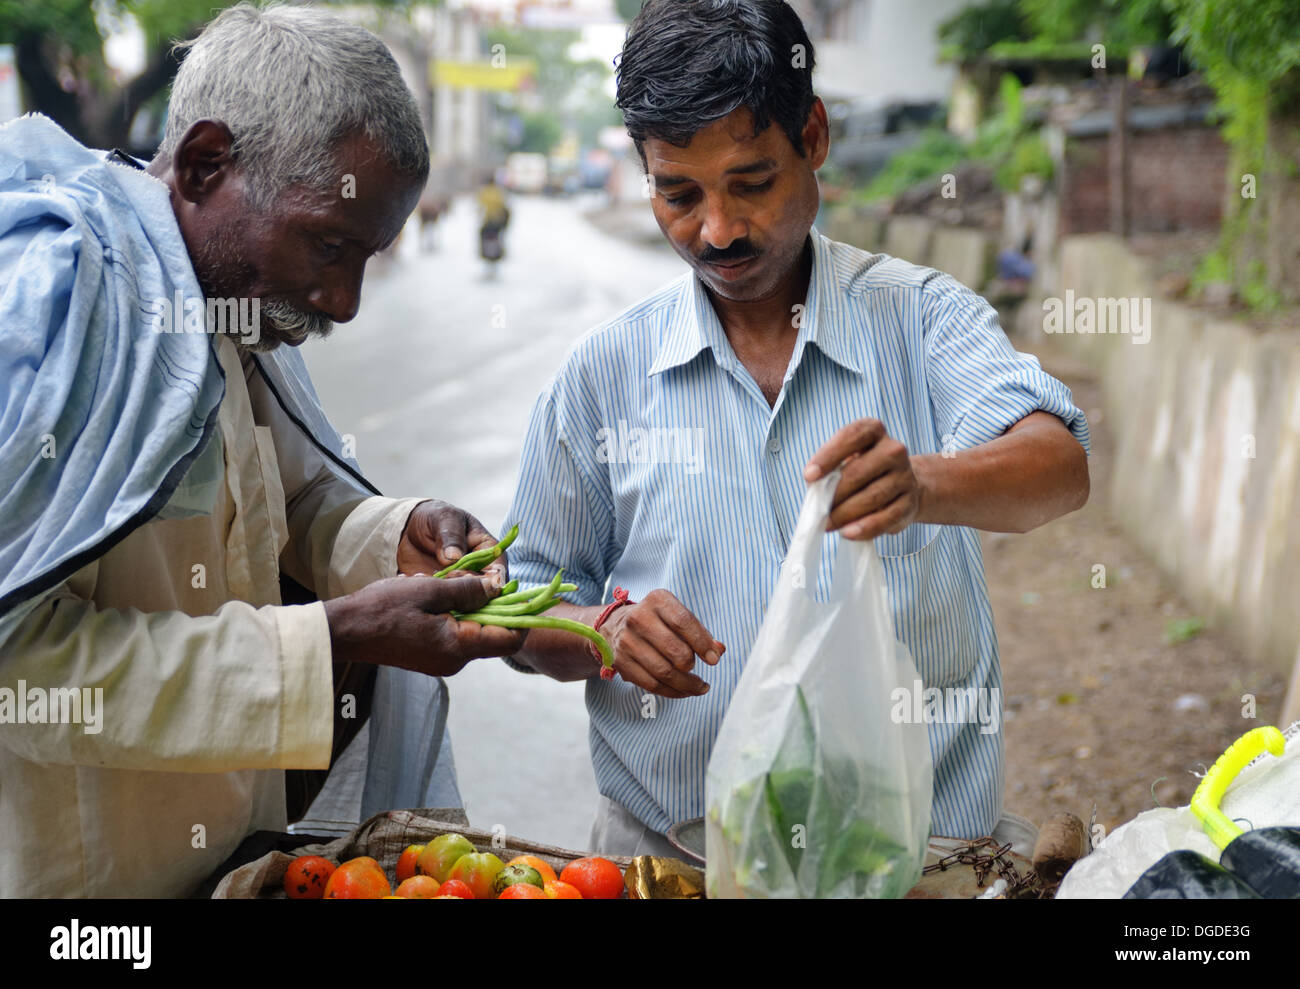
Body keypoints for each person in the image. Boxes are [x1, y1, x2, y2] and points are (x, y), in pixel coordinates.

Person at [500, 0, 1091, 858]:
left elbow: (1059, 467)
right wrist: (600, 629)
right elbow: (517, 609)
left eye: (752, 182)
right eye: (678, 195)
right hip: (672, 859)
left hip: (914, 863)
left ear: (812, 136)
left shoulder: (922, 320)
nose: (718, 230)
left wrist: (922, 485)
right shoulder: (600, 378)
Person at [0, 3, 523, 897]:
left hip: (229, 853)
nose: (348, 300)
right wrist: (325, 642)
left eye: (367, 257)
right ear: (207, 164)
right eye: (329, 243)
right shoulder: (61, 311)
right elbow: (22, 666)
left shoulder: (220, 307)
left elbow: (292, 503)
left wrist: (393, 534)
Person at [476, 174, 510, 268]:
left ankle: (486, 258)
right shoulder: (499, 192)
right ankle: (497, 259)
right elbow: (504, 206)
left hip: (488, 221)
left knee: (484, 238)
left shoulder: (484, 193)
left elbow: (479, 208)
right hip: (498, 221)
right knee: (497, 239)